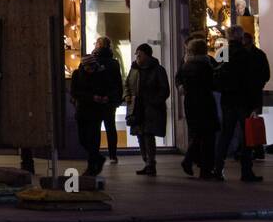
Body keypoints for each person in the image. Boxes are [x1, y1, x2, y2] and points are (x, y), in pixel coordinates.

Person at [215, 25, 262, 182]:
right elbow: (252, 81)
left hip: (228, 99)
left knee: (225, 134)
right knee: (246, 135)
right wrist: (255, 103)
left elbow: (217, 76)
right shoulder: (246, 54)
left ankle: (218, 168)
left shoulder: (223, 52)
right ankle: (246, 171)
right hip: (244, 100)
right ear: (241, 37)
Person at [176, 38, 220, 179]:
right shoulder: (205, 66)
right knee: (208, 136)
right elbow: (213, 84)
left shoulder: (186, 66)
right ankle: (203, 168)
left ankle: (191, 162)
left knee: (197, 134)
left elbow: (180, 81)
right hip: (204, 103)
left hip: (190, 103)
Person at [124, 43, 169, 176]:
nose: (137, 56)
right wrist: (127, 96)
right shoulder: (134, 69)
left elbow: (164, 89)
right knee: (139, 135)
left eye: (140, 54)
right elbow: (127, 84)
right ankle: (146, 161)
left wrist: (154, 101)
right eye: (137, 54)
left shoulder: (158, 70)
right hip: (137, 107)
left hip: (151, 108)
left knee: (148, 135)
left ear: (147, 55)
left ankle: (151, 163)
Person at [71, 50, 115, 175]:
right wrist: (92, 97)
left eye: (92, 67)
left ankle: (91, 166)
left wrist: (106, 97)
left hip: (96, 112)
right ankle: (98, 158)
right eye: (88, 67)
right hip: (83, 111)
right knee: (83, 140)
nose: (90, 69)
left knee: (94, 140)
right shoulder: (77, 75)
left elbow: (109, 89)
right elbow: (75, 93)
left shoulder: (101, 75)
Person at [93, 36, 124, 163]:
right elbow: (118, 83)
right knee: (110, 127)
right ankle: (113, 155)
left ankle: (94, 154)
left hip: (95, 100)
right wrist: (115, 98)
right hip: (109, 100)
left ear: (99, 45)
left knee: (95, 128)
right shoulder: (114, 62)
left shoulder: (93, 60)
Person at [243, 30, 270, 162]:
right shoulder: (259, 54)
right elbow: (266, 74)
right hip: (254, 92)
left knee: (246, 121)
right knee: (254, 120)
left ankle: (252, 149)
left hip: (245, 93)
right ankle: (256, 148)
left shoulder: (232, 53)